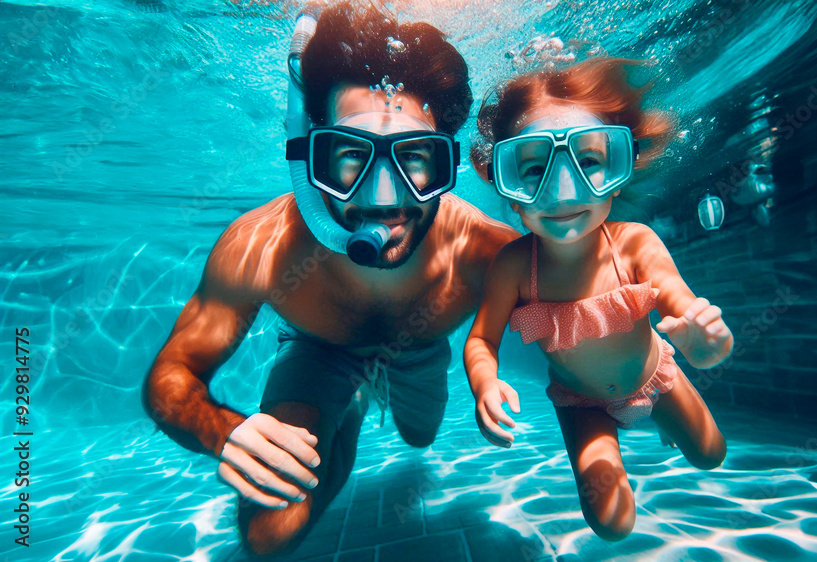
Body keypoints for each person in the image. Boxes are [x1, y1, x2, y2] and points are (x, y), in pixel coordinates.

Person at [142, 2, 517, 556]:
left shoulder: (485, 249)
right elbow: (171, 374)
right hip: (318, 352)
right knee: (269, 532)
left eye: (415, 158)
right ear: (308, 158)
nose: (383, 198)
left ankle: (365, 394)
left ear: (446, 165)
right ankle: (350, 405)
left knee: (420, 436)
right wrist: (222, 430)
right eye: (349, 156)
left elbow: (575, 313)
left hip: (419, 349)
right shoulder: (260, 246)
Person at [463, 58, 733, 541]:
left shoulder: (634, 243)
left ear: (617, 166)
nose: (562, 192)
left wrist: (706, 342)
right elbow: (482, 339)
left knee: (711, 454)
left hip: (656, 379)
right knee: (612, 524)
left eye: (587, 161)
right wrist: (484, 383)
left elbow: (681, 303)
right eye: (533, 168)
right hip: (581, 403)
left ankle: (661, 421)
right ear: (506, 182)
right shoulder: (513, 266)